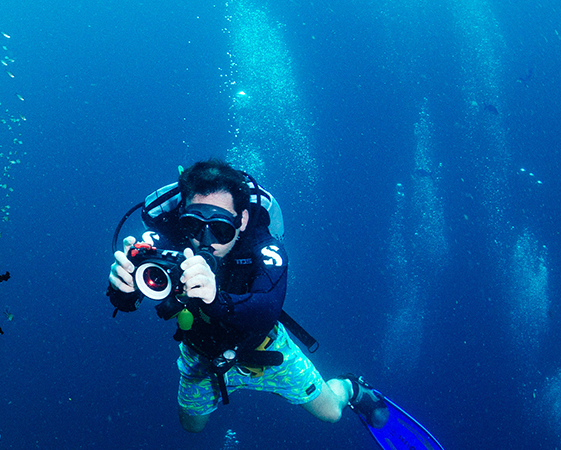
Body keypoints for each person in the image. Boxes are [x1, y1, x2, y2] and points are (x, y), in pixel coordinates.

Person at [107, 160, 389, 433]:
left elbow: (267, 310)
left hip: (267, 349)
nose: (207, 240)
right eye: (194, 224)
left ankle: (350, 388)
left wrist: (216, 299)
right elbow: (129, 298)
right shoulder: (168, 240)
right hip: (201, 355)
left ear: (241, 220)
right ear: (182, 215)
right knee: (192, 426)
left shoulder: (264, 247)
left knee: (331, 412)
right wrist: (122, 289)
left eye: (220, 228)